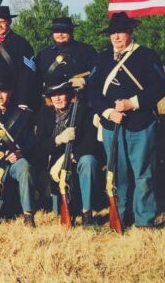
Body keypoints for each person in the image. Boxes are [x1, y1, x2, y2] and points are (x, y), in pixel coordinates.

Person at [88, 12, 165, 228]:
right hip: (111, 125)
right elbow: (92, 91)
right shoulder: (101, 58)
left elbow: (160, 87)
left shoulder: (147, 56)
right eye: (113, 33)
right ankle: (121, 217)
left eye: (120, 32)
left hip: (141, 124)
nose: (116, 37)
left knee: (143, 174)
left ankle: (144, 220)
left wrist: (133, 103)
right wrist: (107, 112)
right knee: (117, 175)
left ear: (130, 32)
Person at [34, 78, 103, 225]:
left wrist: (72, 155)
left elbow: (92, 143)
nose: (57, 98)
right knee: (58, 210)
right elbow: (39, 145)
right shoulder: (44, 114)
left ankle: (87, 212)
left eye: (61, 94)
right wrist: (58, 140)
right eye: (53, 95)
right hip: (53, 165)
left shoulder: (84, 111)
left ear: (69, 94)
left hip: (77, 158)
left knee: (89, 161)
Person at [0, 73, 37, 227]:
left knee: (25, 168)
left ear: (10, 93)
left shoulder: (23, 115)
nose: (0, 96)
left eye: (3, 92)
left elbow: (31, 142)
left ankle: (28, 214)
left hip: (15, 162)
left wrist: (19, 153)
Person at [35, 17, 96, 92]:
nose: (60, 34)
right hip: (53, 99)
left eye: (64, 31)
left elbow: (97, 72)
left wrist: (84, 80)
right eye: (56, 31)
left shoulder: (86, 50)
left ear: (71, 32)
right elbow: (37, 79)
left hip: (80, 97)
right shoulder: (43, 54)